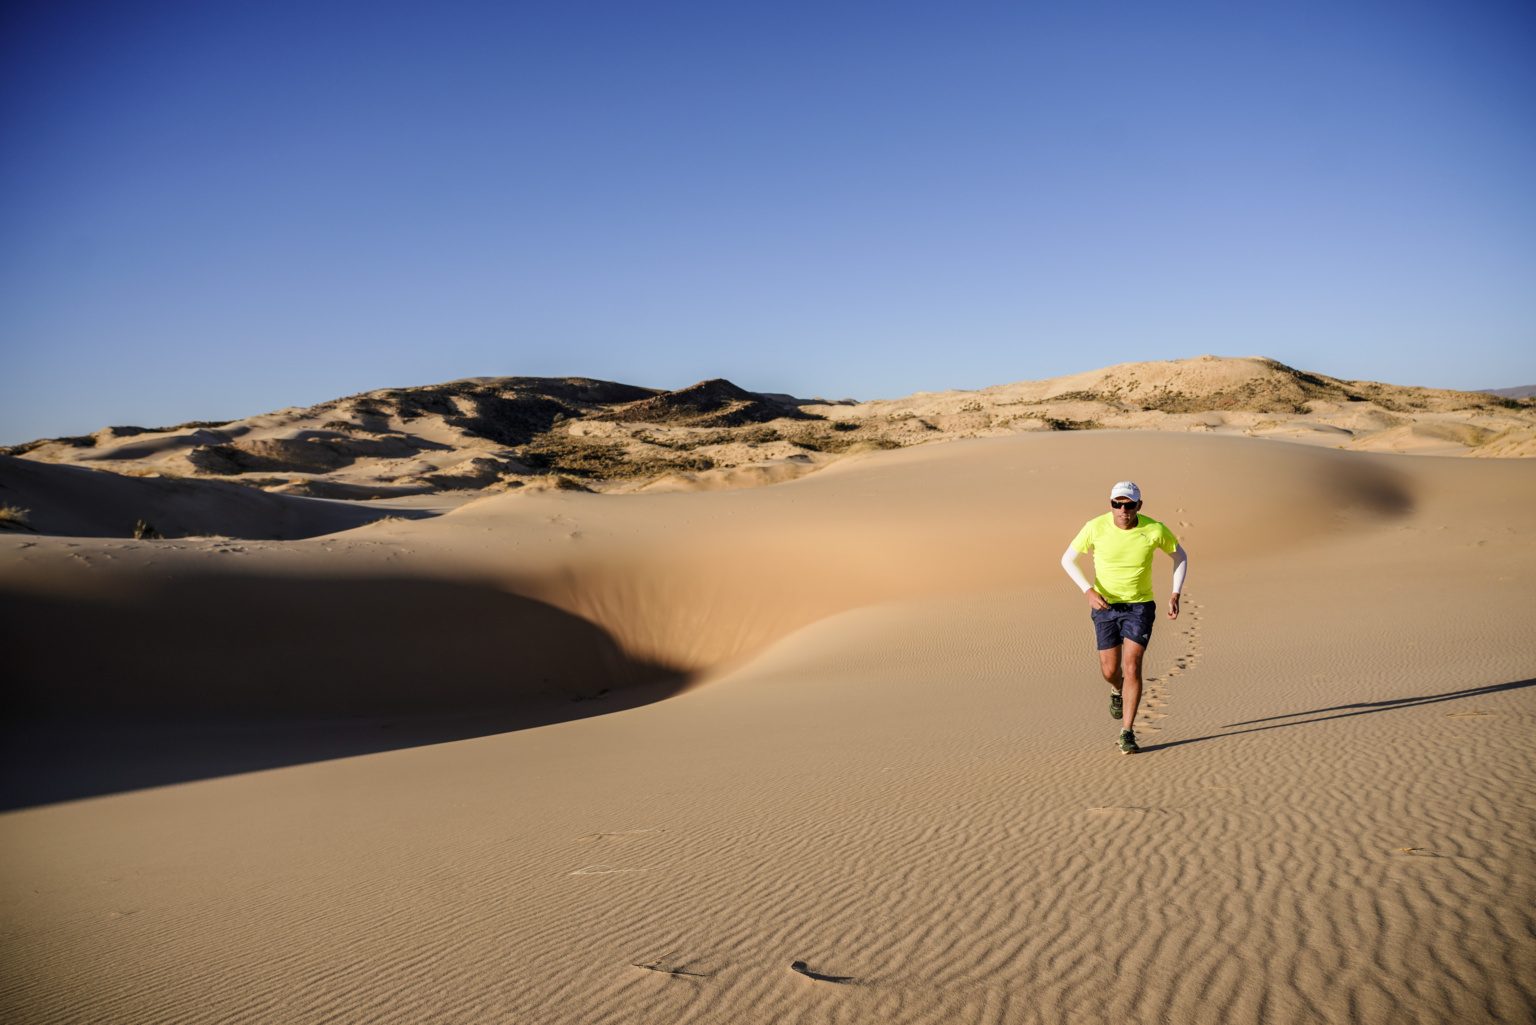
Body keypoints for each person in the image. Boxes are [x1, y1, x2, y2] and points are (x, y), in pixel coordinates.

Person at [1060, 481, 1188, 754]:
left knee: (1133, 666)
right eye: (1117, 504)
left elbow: (1180, 557)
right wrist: (1087, 591)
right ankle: (1117, 690)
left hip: (1139, 607)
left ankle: (1127, 732)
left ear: (1139, 506)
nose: (1123, 510)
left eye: (1129, 505)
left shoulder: (1154, 529)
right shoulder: (1095, 527)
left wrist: (1175, 593)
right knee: (1109, 671)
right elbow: (1067, 559)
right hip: (1105, 607)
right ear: (1111, 505)